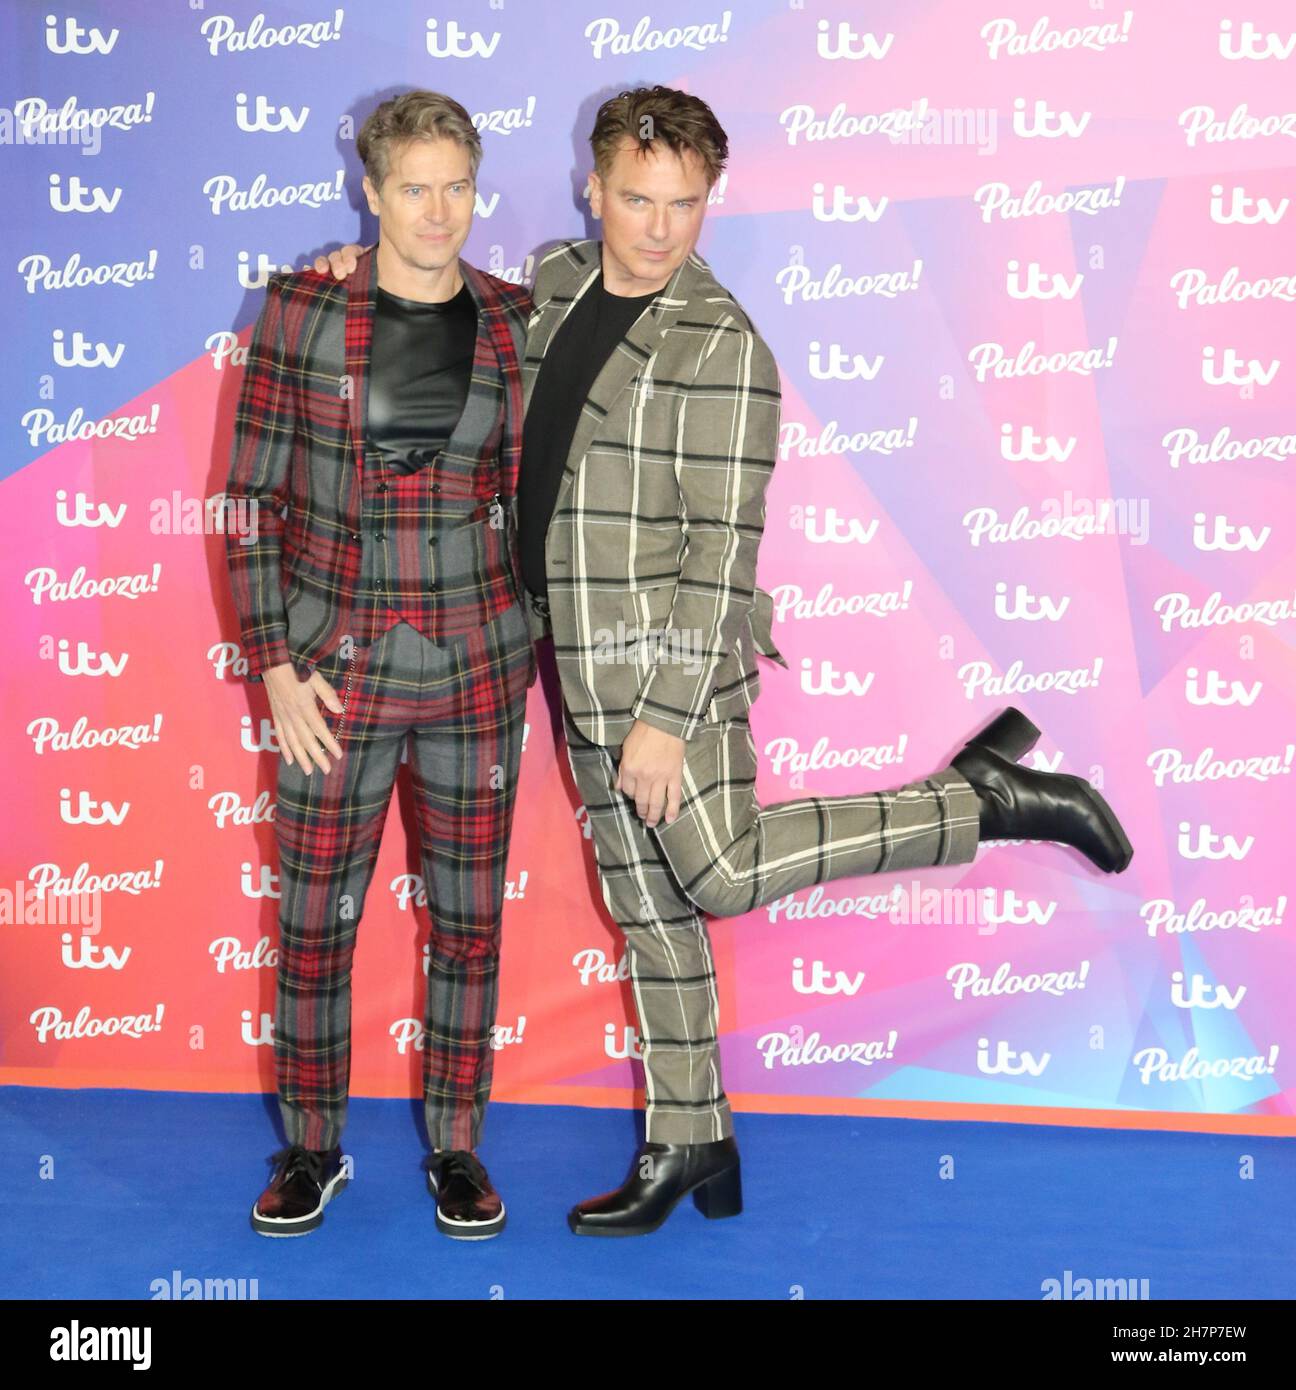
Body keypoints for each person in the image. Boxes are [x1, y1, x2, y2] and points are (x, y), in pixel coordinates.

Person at [316, 84, 1134, 1238]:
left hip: (667, 667)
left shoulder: (725, 347)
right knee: (649, 910)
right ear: (593, 189)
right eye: (639, 200)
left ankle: (981, 798)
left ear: (711, 199)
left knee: (719, 870)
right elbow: (456, 341)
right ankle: (690, 1136)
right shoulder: (549, 288)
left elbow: (721, 558)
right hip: (568, 660)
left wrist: (664, 715)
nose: (658, 227)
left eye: (684, 204)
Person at [224, 90, 535, 1240]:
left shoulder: (514, 318)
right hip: (331, 670)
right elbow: (251, 497)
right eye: (416, 187)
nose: (440, 210)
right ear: (371, 189)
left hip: (476, 665)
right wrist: (271, 662)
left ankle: (457, 1146)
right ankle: (311, 1147)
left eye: (459, 185)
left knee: (466, 923)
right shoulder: (304, 307)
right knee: (312, 920)